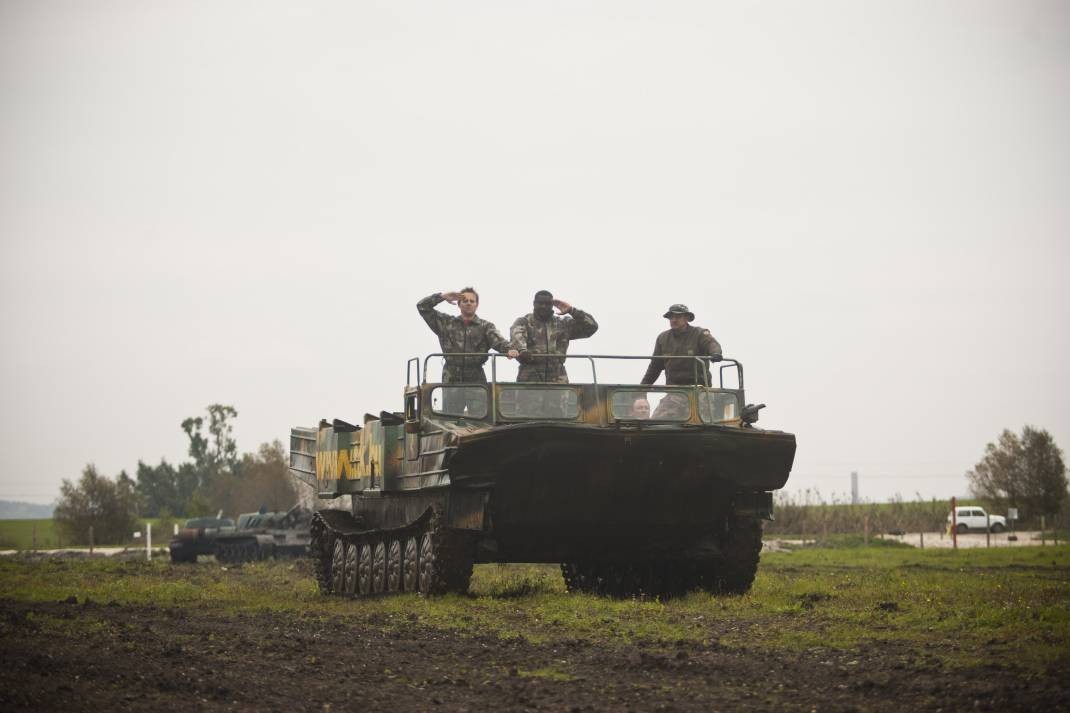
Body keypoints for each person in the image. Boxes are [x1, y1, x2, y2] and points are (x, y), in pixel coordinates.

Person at [417, 287, 517, 415]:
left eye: (472, 301)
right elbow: (422, 307)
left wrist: (509, 349)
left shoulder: (485, 326)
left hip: (476, 378)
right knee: (450, 418)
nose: (468, 303)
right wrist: (442, 296)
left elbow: (499, 341)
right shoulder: (446, 323)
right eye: (464, 301)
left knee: (481, 417)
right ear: (458, 304)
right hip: (452, 378)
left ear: (477, 304)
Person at [510, 290, 598, 384]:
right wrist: (522, 350)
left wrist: (572, 311)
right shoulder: (524, 322)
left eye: (547, 304)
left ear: (552, 305)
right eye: (540, 303)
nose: (543, 306)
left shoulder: (563, 324)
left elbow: (591, 327)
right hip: (529, 376)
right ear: (534, 304)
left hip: (558, 378)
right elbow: (517, 336)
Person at [640, 303, 722, 386]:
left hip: (699, 389)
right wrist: (640, 391)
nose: (674, 320)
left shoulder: (699, 333)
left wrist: (716, 353)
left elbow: (711, 344)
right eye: (671, 317)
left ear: (687, 318)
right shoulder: (663, 338)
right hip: (674, 390)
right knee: (665, 400)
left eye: (678, 317)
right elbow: (655, 367)